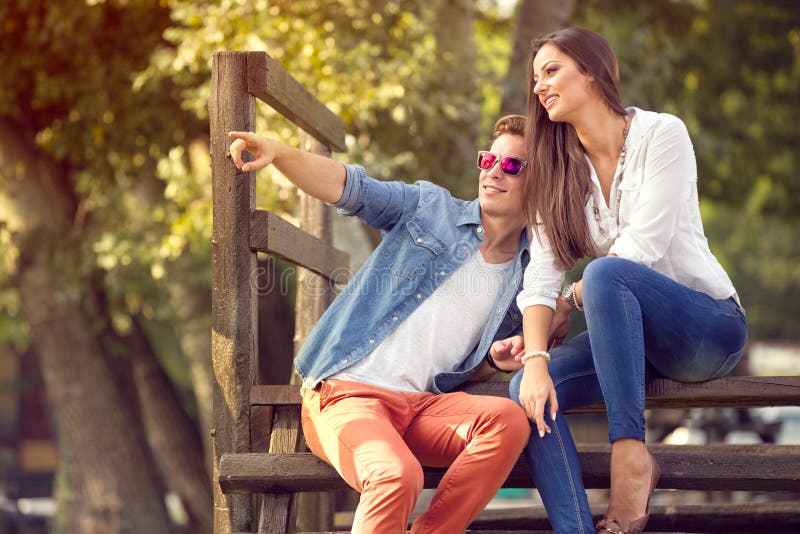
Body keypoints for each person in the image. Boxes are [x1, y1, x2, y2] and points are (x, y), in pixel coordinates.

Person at [229, 115, 532, 534]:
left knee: (508, 420)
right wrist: (279, 152)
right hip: (347, 394)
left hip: (422, 406)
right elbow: (347, 187)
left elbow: (467, 366)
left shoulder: (528, 275)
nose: (494, 171)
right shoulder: (431, 209)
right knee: (395, 475)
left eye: (512, 165)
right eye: (488, 160)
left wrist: (495, 364)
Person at [502, 27, 747, 534]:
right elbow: (540, 278)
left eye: (552, 70)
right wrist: (537, 360)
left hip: (705, 327)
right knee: (523, 389)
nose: (541, 86)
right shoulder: (554, 169)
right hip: (627, 343)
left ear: (591, 70)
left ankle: (631, 461)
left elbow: (642, 250)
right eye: (536, 78)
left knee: (608, 271)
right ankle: (577, 529)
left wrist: (572, 297)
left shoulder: (663, 134)